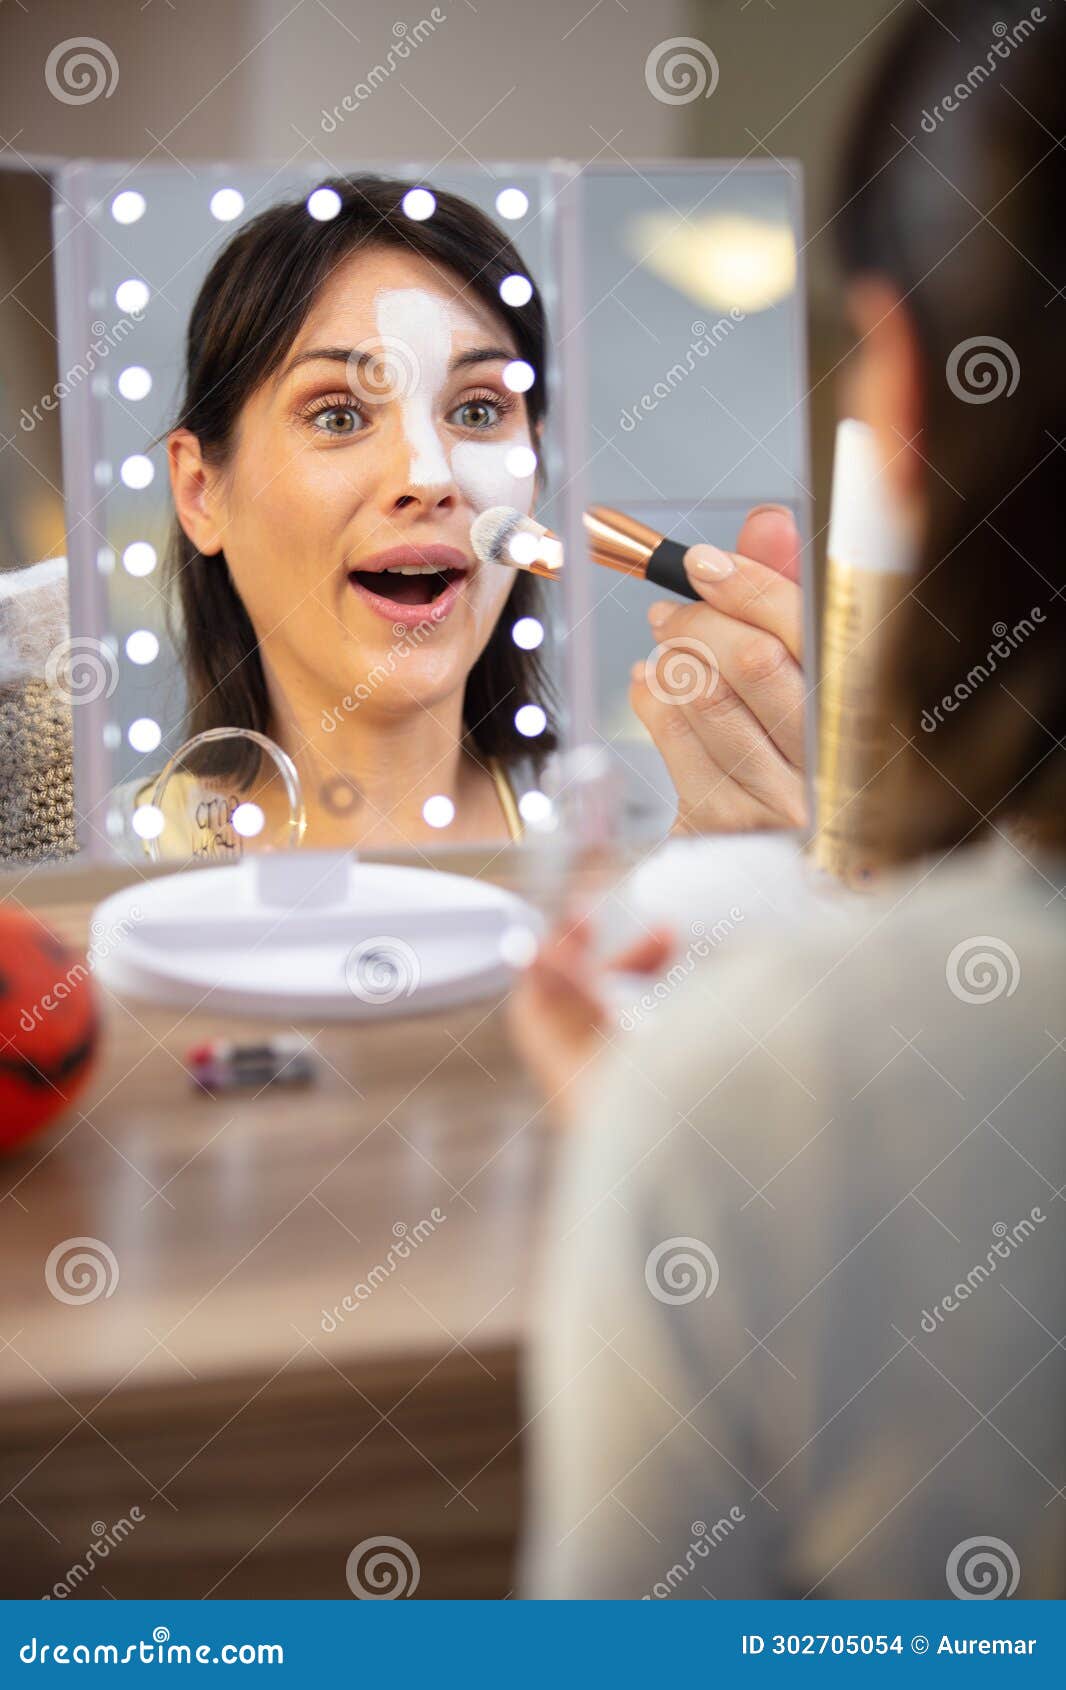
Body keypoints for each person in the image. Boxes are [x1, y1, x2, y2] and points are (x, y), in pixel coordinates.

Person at [512, 0, 1066, 1599]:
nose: (438, 477)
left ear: (897, 388)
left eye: (484, 408)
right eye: (341, 408)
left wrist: (734, 1133)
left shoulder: (770, 1087)